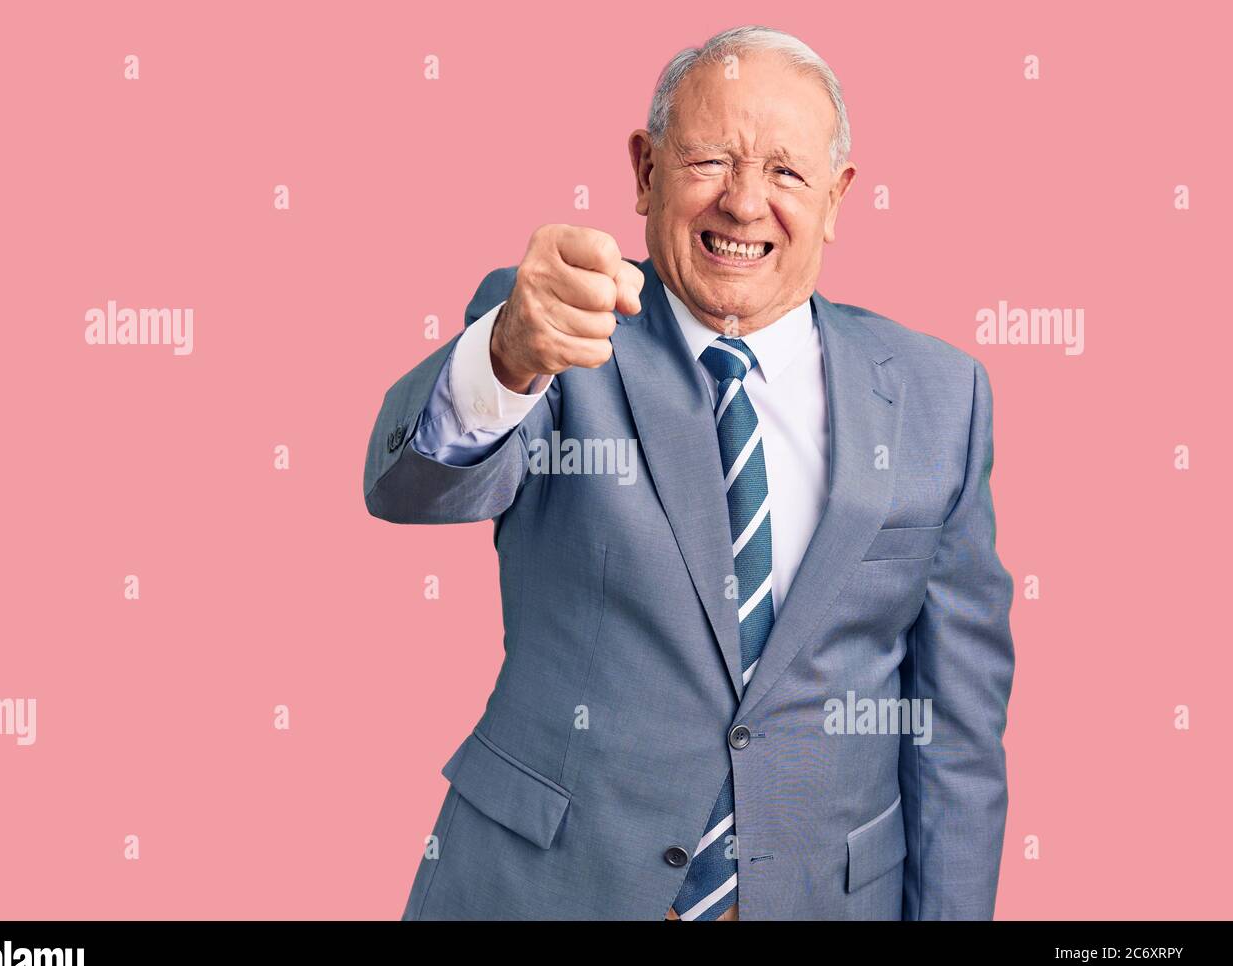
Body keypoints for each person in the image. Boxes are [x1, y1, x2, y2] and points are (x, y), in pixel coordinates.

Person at [364, 24, 1016, 920]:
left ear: (837, 196)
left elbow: (956, 733)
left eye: (786, 172)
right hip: (545, 888)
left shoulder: (944, 394)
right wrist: (506, 359)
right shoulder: (560, 330)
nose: (745, 204)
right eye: (710, 160)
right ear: (645, 172)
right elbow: (408, 487)